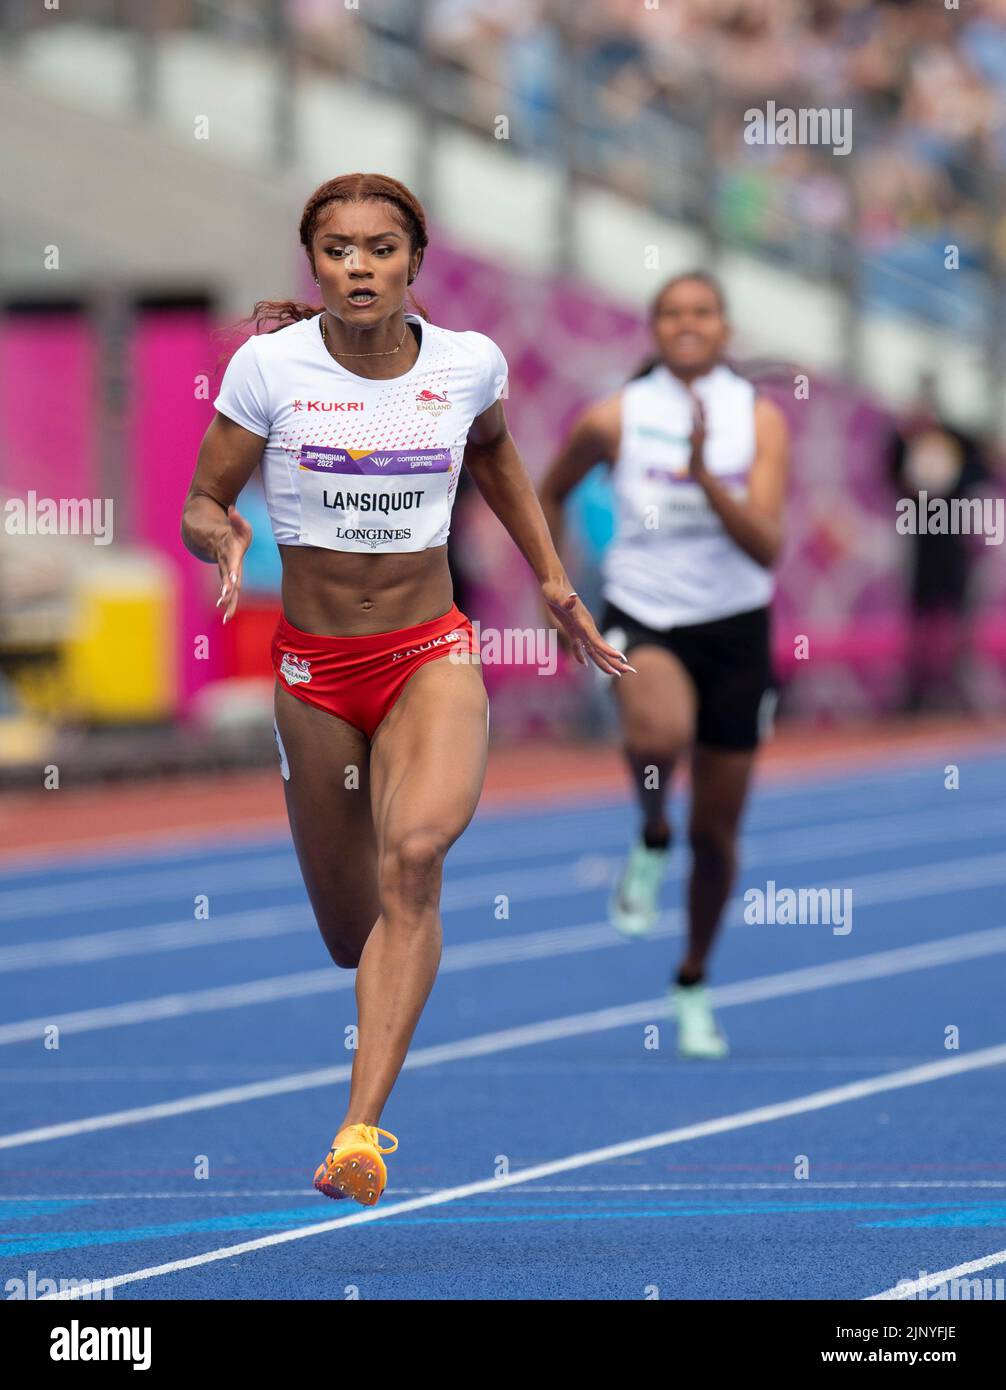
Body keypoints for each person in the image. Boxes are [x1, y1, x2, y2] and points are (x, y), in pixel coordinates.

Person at [181, 173, 630, 1207]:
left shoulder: (469, 364)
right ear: (314, 262)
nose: (358, 266)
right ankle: (365, 1063)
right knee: (351, 933)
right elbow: (202, 495)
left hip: (429, 654)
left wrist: (556, 582)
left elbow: (499, 457)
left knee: (417, 853)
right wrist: (222, 533)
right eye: (338, 249)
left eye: (380, 248)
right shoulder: (267, 370)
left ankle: (359, 1129)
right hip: (313, 675)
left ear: (413, 261)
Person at [538, 270, 789, 1059]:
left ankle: (692, 981)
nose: (687, 324)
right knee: (659, 729)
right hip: (644, 611)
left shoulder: (759, 419)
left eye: (703, 312)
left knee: (716, 836)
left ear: (724, 327)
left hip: (736, 626)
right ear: (653, 328)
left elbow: (768, 546)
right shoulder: (615, 416)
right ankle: (650, 833)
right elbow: (543, 492)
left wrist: (708, 476)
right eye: (672, 313)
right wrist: (560, 589)